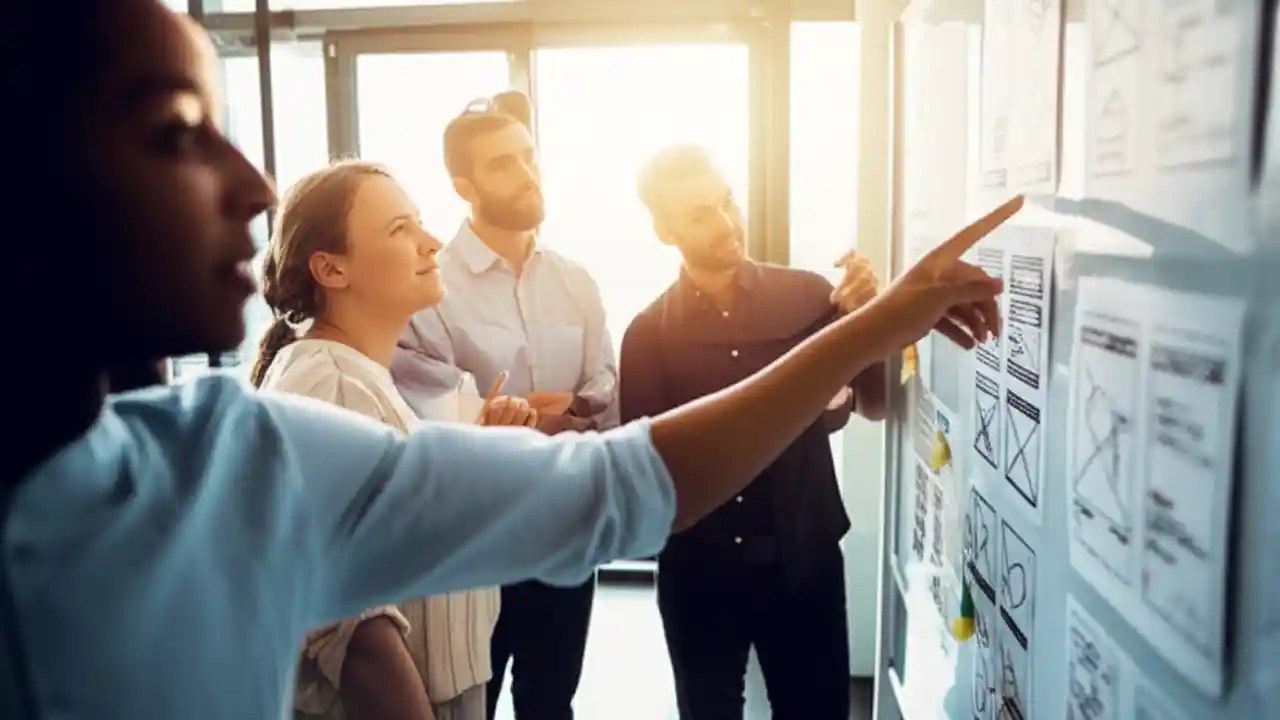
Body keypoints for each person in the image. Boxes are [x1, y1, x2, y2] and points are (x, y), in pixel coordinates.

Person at [2, 2, 1016, 718]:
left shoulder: (242, 452)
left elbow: (611, 467)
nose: (255, 183)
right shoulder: (306, 396)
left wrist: (872, 325)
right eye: (177, 130)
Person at [250, 161, 535, 720]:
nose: (432, 242)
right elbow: (354, 631)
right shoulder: (331, 384)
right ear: (331, 269)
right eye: (400, 228)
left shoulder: (357, 379)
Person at [621, 145, 893, 719]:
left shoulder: (811, 297)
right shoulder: (647, 334)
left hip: (806, 560)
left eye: (727, 201)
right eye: (700, 214)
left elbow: (870, 404)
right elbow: (647, 476)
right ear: (665, 231)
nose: (726, 223)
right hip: (701, 572)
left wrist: (871, 319)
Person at [391, 92, 611, 720]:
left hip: (563, 532)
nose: (527, 173)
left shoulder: (575, 280)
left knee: (552, 704)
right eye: (502, 164)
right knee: (466, 705)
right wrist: (522, 417)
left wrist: (570, 405)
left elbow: (606, 386)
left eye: (528, 156)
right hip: (475, 541)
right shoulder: (429, 284)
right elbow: (427, 402)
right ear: (463, 187)